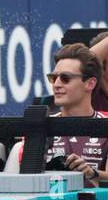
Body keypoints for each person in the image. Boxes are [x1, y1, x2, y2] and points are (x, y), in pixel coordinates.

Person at [9, 44, 108, 185]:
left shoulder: (106, 124)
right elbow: (24, 183)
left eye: (65, 78)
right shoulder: (38, 127)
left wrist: (91, 173)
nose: (56, 84)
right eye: (53, 78)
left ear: (90, 83)